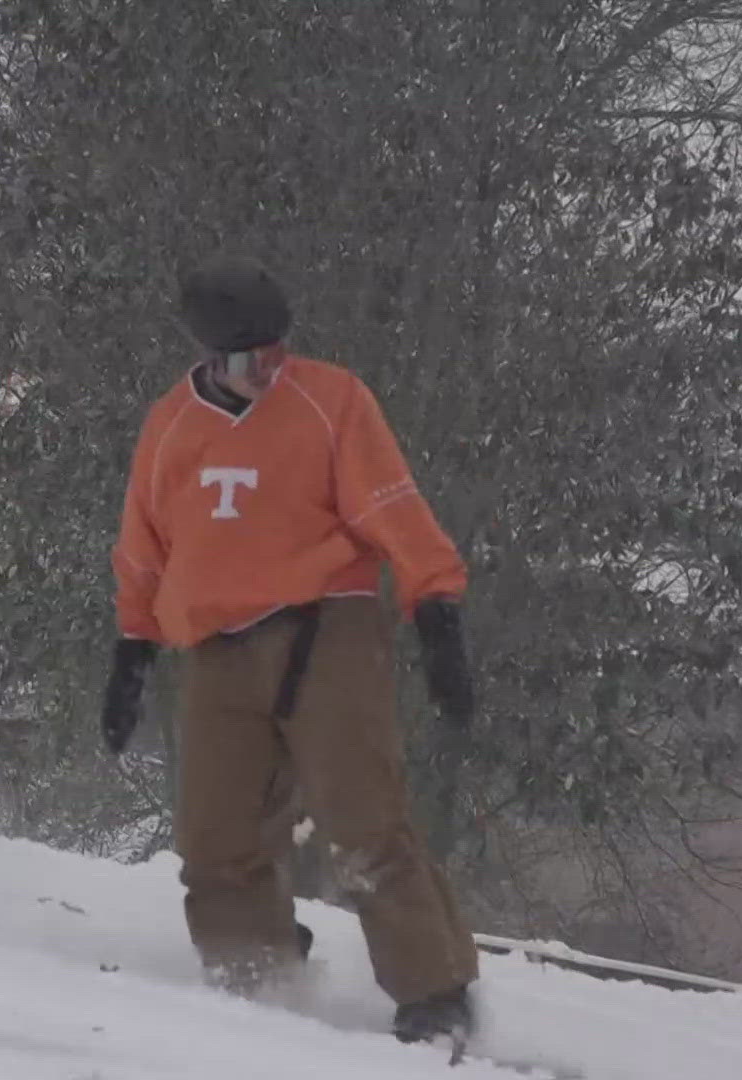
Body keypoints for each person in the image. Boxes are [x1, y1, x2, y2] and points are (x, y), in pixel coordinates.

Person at [99, 254, 481, 1044]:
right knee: (214, 834)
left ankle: (433, 991)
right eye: (248, 361)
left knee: (362, 821)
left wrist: (435, 606)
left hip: (324, 626)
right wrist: (132, 647)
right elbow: (142, 547)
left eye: (277, 353)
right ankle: (255, 975)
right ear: (209, 355)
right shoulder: (171, 425)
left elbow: (393, 507)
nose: (266, 372)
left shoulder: (331, 400)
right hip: (212, 644)